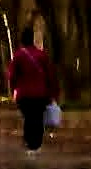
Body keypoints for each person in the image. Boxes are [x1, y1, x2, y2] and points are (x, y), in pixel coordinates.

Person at [9, 20, 58, 153]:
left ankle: (30, 143)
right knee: (37, 118)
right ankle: (36, 144)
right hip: (40, 94)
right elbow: (50, 75)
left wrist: (13, 89)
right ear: (32, 40)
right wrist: (52, 93)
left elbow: (12, 76)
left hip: (24, 94)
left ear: (22, 40)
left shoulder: (18, 56)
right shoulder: (42, 55)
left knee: (29, 117)